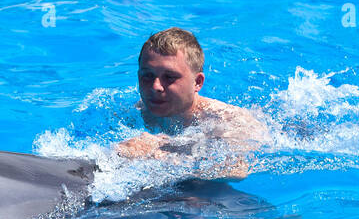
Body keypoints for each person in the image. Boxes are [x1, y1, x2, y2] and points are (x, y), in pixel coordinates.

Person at [113, 28, 264, 179]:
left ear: (197, 82)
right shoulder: (140, 111)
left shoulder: (227, 121)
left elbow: (237, 172)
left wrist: (158, 152)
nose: (155, 86)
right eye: (148, 75)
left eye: (169, 77)